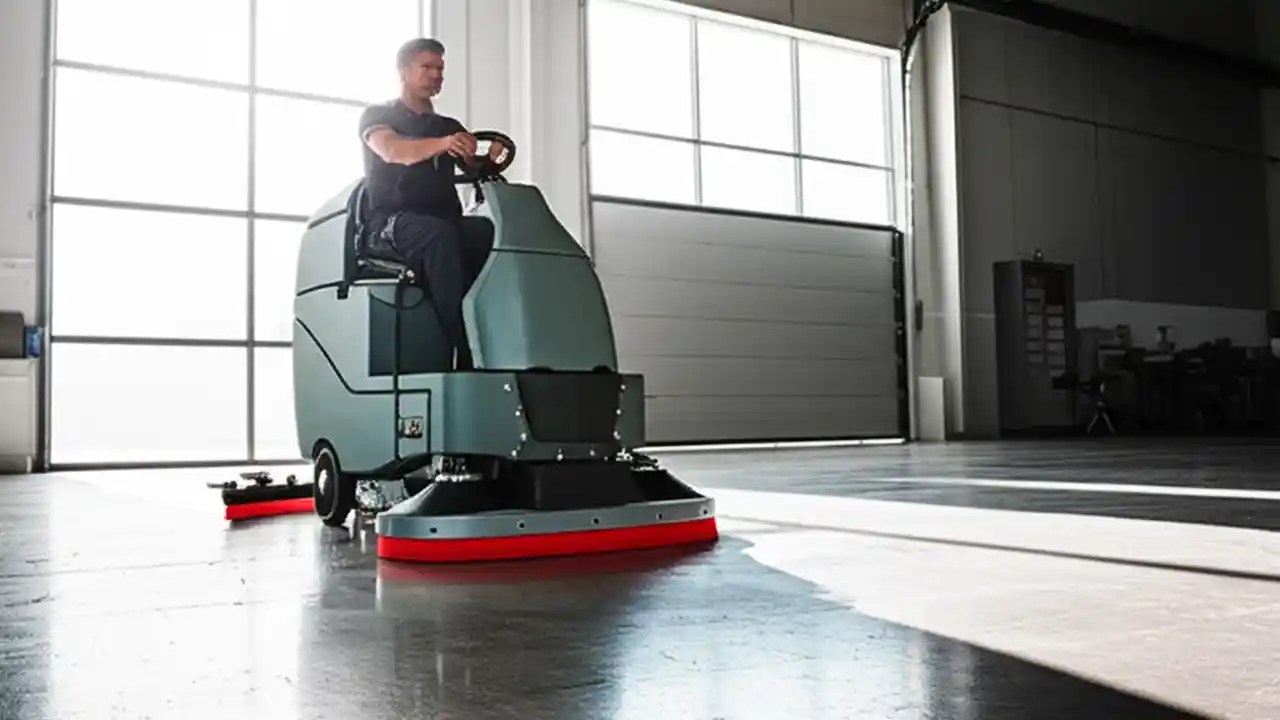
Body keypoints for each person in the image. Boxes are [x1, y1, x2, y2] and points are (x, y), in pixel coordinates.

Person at [358, 38, 491, 369]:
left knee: (486, 234)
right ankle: (464, 348)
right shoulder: (379, 116)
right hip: (390, 225)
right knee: (437, 236)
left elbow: (473, 166)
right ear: (404, 70)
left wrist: (490, 159)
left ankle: (495, 333)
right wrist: (445, 144)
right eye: (427, 67)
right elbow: (394, 151)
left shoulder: (448, 127)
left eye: (440, 69)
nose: (436, 75)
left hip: (442, 222)